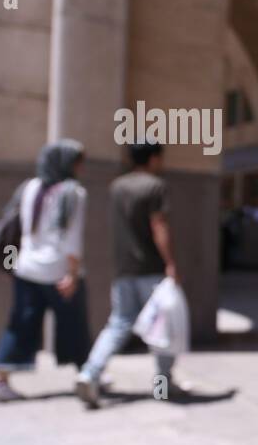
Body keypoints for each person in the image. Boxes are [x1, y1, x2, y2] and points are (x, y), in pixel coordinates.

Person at [75, 139, 180, 408]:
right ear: (154, 158)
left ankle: (90, 373)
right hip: (151, 268)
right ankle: (162, 384)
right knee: (162, 326)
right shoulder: (155, 186)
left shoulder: (117, 186)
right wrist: (170, 262)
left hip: (124, 269)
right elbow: (159, 226)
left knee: (119, 323)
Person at [0, 140, 90, 401]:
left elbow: (17, 228)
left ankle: (0, 380)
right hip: (58, 271)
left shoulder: (29, 187)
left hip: (27, 269)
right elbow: (72, 239)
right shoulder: (73, 192)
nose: (81, 166)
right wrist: (72, 274)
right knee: (74, 324)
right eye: (78, 160)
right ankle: (88, 371)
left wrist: (11, 265)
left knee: (19, 324)